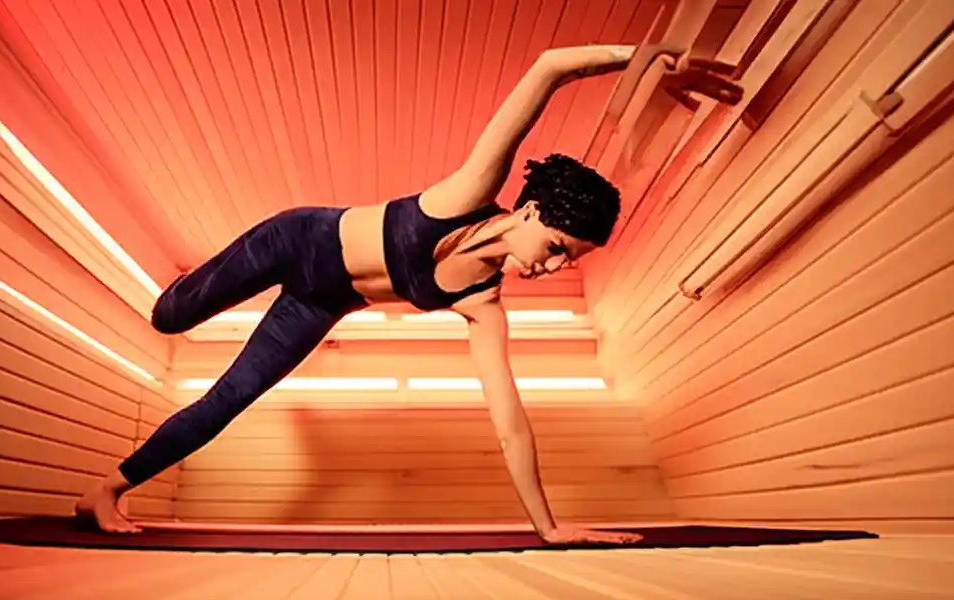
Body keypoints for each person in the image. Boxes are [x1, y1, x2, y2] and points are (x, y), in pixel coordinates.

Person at [76, 43, 743, 542]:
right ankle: (183, 288)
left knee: (230, 398)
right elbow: (548, 67)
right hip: (295, 240)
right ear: (535, 213)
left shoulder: (482, 304)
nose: (553, 268)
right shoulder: (467, 195)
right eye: (558, 250)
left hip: (319, 303)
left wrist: (549, 527)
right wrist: (645, 61)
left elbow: (510, 422)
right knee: (170, 319)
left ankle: (107, 489)